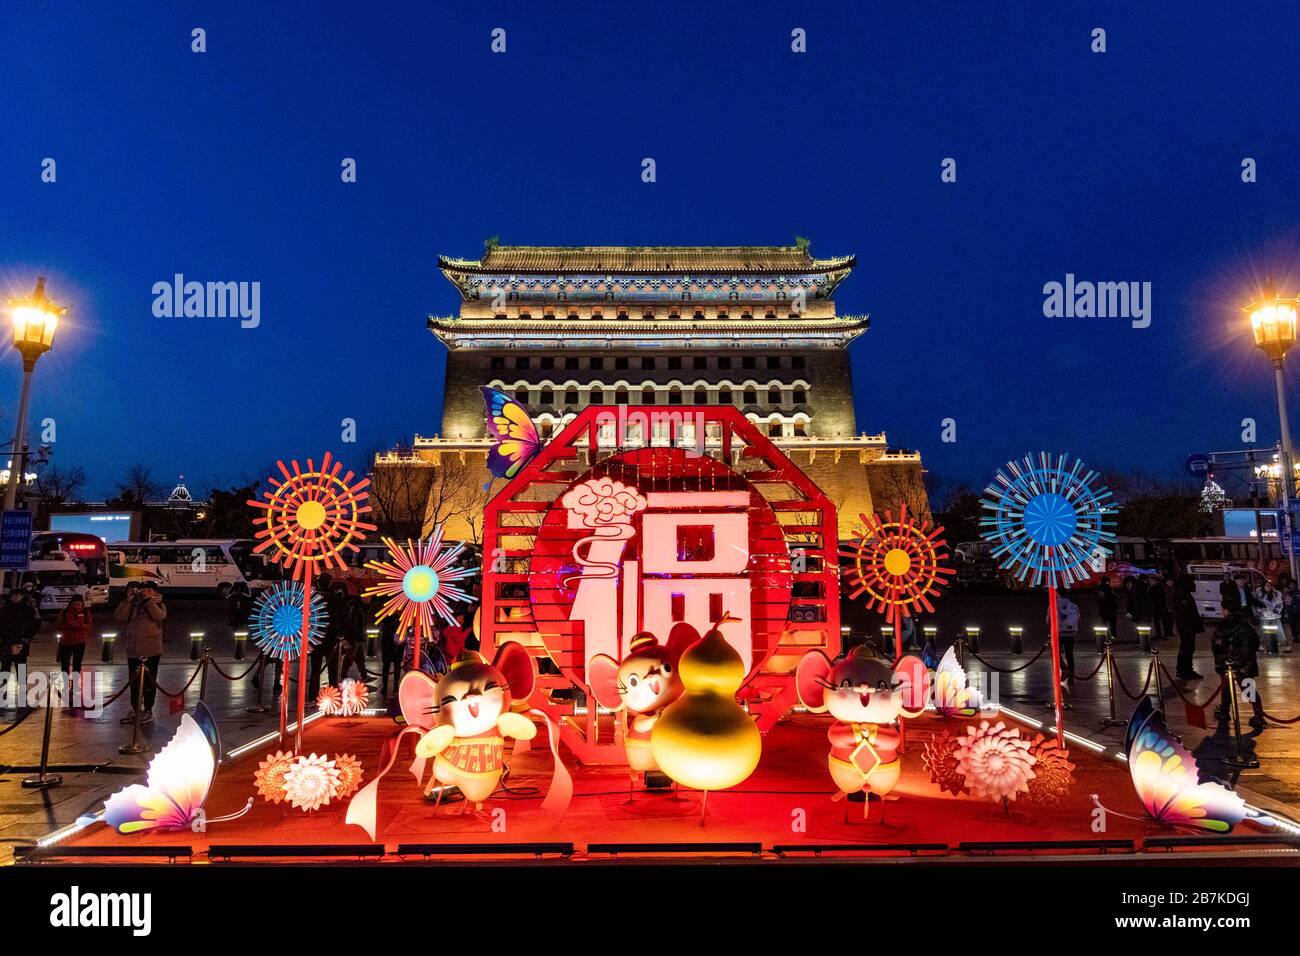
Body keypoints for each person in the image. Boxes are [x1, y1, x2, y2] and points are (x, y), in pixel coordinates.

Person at [113, 580, 167, 724]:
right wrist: (128, 600)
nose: (144, 592)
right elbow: (119, 617)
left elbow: (158, 616)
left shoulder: (159, 604)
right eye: (143, 590)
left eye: (148, 590)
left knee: (150, 682)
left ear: (154, 592)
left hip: (151, 650)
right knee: (134, 682)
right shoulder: (133, 604)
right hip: (133, 650)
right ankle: (135, 708)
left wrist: (149, 601)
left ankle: (148, 709)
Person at [1210, 608, 1265, 730]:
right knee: (1249, 690)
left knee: (1226, 689)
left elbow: (1218, 643)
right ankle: (1259, 716)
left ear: (1225, 611)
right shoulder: (1246, 626)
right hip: (1245, 663)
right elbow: (1255, 643)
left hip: (1228, 664)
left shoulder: (1224, 626)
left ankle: (1224, 712)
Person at [1172, 574, 1205, 681]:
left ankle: (1187, 670)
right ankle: (1183, 670)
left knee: (1189, 648)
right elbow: (1184, 613)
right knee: (1186, 647)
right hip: (1186, 626)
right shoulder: (1181, 594)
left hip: (1188, 626)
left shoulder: (1185, 594)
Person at [57, 595, 93, 676]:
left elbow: (89, 625)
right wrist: (75, 625)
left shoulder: (85, 612)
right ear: (71, 604)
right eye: (75, 604)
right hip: (66, 642)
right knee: (65, 664)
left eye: (78, 604)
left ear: (82, 604)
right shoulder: (65, 612)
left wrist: (77, 625)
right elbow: (60, 625)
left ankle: (75, 684)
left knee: (77, 664)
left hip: (79, 642)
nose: (76, 607)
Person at [0, 588, 32, 678]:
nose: (14, 598)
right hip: (7, 642)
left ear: (22, 596)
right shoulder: (5, 609)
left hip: (21, 641)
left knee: (21, 667)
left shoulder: (28, 610)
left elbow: (32, 625)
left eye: (17, 595)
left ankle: (22, 690)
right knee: (5, 666)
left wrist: (27, 637)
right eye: (13, 595)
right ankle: (3, 689)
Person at [1053, 593, 1080, 682]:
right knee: (1069, 655)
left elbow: (1048, 620)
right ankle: (1071, 677)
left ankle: (1064, 669)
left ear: (1057, 594)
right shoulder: (1073, 606)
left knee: (1056, 654)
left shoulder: (1053, 605)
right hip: (1070, 633)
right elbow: (1079, 619)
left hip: (1058, 633)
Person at [1255, 578, 1287, 653]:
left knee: (1280, 631)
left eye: (1270, 585)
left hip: (1275, 616)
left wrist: (1277, 611)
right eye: (1266, 585)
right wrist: (1261, 611)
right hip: (1264, 616)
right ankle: (1259, 645)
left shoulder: (1276, 594)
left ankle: (1283, 645)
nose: (1268, 587)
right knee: (1262, 631)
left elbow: (1280, 603)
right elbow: (1257, 605)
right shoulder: (1260, 595)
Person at [1095, 576, 1119, 649]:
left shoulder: (1097, 589)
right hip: (1111, 609)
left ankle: (1102, 637)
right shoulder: (1109, 589)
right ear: (1107, 581)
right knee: (1112, 622)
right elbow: (1115, 597)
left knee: (1103, 623)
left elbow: (1095, 598)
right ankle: (1113, 635)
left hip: (1102, 609)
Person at [1149, 574, 1170, 642]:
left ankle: (1164, 634)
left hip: (1160, 607)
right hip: (1155, 607)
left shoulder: (1159, 588)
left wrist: (1163, 606)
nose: (1150, 582)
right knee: (1157, 621)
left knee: (1163, 621)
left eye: (1152, 581)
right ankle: (1159, 634)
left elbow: (1162, 598)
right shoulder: (1151, 588)